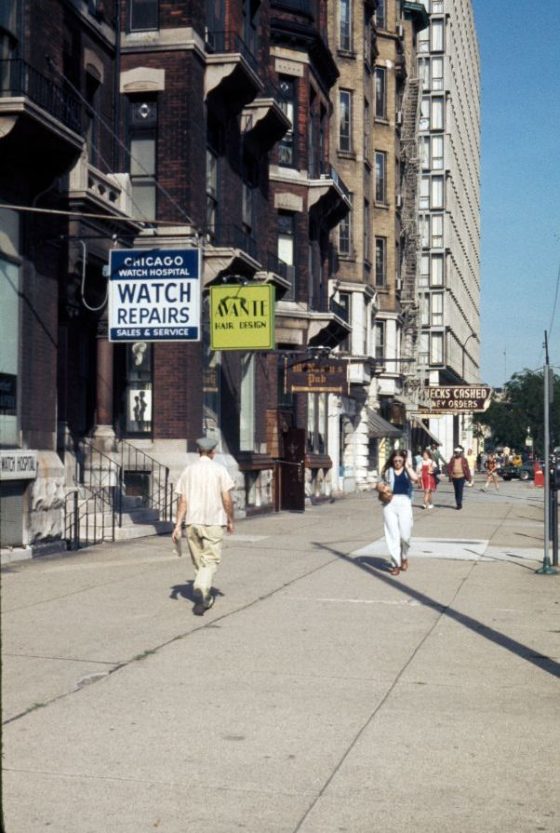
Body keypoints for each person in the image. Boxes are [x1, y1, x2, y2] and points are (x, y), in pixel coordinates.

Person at [172, 436, 235, 615]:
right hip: (214, 521)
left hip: (192, 521)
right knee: (210, 560)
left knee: (199, 560)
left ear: (198, 451)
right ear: (213, 452)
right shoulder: (219, 470)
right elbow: (226, 498)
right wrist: (230, 519)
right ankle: (200, 586)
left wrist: (178, 525)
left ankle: (205, 598)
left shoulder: (188, 471)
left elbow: (182, 501)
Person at [375, 449, 418, 576]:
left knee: (405, 536)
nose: (398, 462)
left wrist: (408, 467)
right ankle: (395, 564)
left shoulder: (406, 470)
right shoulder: (387, 471)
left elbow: (415, 479)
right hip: (390, 504)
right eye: (395, 460)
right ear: (392, 460)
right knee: (392, 534)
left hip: (404, 503)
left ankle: (404, 556)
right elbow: (378, 484)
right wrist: (381, 487)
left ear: (403, 460)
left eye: (400, 460)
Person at [447, 445, 472, 510]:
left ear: (460, 453)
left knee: (460, 490)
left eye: (457, 452)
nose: (456, 453)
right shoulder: (452, 459)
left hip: (461, 477)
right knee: (456, 490)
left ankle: (459, 503)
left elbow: (467, 469)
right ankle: (457, 503)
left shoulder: (464, 460)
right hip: (454, 477)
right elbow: (449, 467)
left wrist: (469, 478)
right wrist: (450, 475)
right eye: (455, 452)